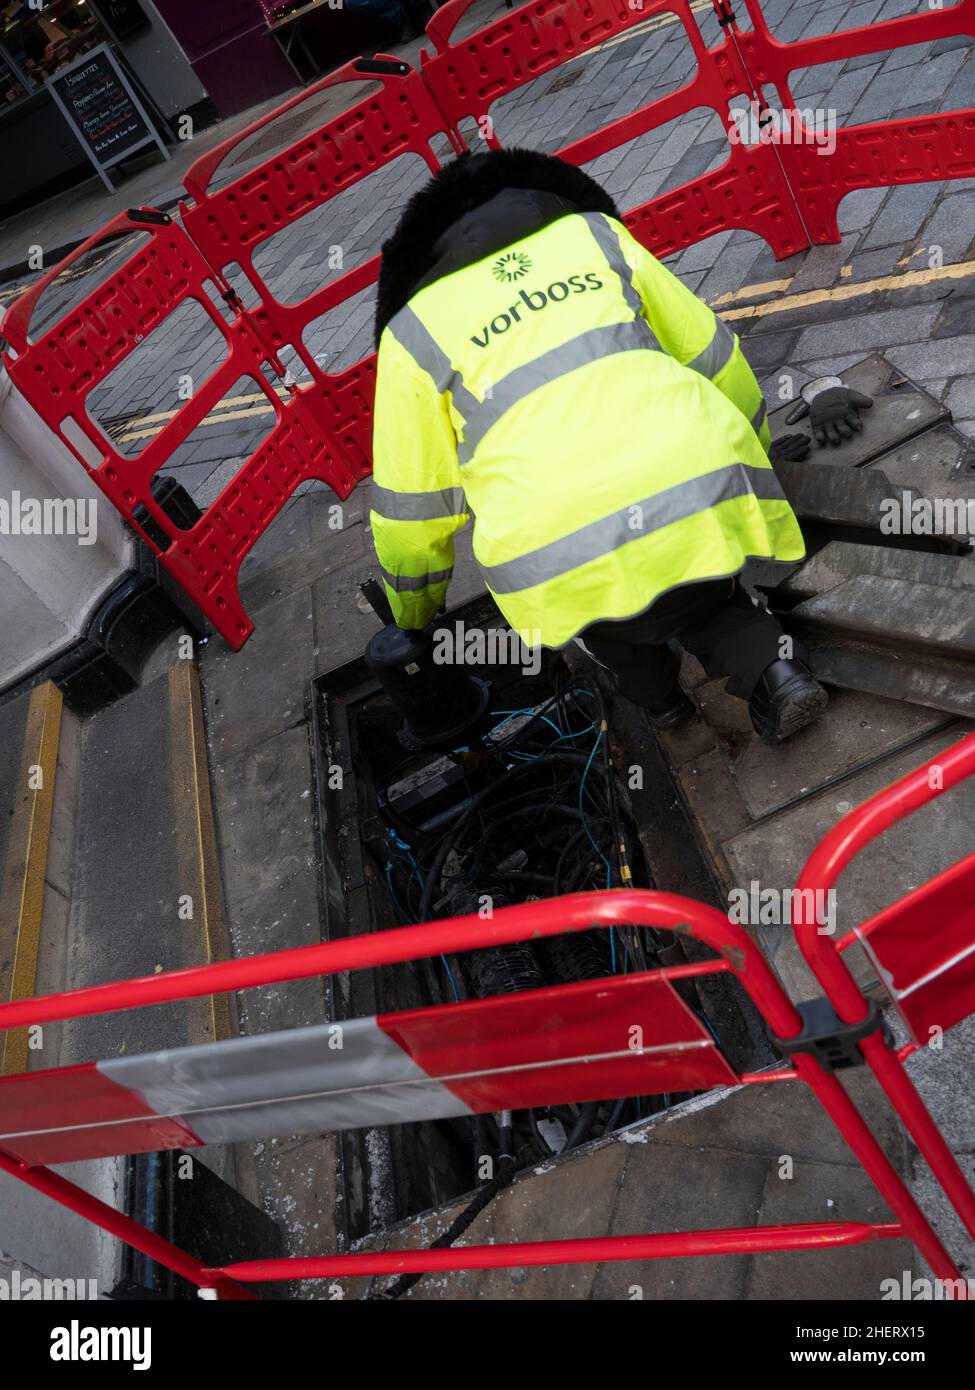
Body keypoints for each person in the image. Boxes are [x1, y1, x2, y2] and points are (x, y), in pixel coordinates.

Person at [368, 148, 870, 744]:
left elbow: (413, 513)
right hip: (688, 483)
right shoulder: (596, 236)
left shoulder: (411, 332)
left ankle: (666, 710)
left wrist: (414, 618)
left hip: (557, 545)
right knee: (707, 601)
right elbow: (716, 358)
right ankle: (775, 671)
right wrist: (754, 455)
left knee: (611, 627)